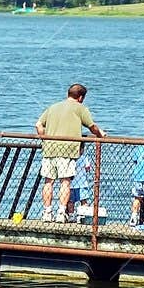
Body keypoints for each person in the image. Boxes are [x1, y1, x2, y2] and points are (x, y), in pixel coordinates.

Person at [34, 83, 102, 222]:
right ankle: (61, 213)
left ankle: (47, 212)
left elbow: (38, 124)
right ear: (81, 97)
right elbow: (92, 126)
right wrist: (100, 134)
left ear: (68, 94)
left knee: (48, 182)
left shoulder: (53, 107)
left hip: (49, 148)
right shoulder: (80, 108)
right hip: (68, 150)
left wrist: (44, 138)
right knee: (65, 182)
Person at [126, 145, 144, 227]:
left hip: (137, 178)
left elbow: (135, 160)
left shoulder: (139, 148)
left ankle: (134, 216)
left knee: (137, 198)